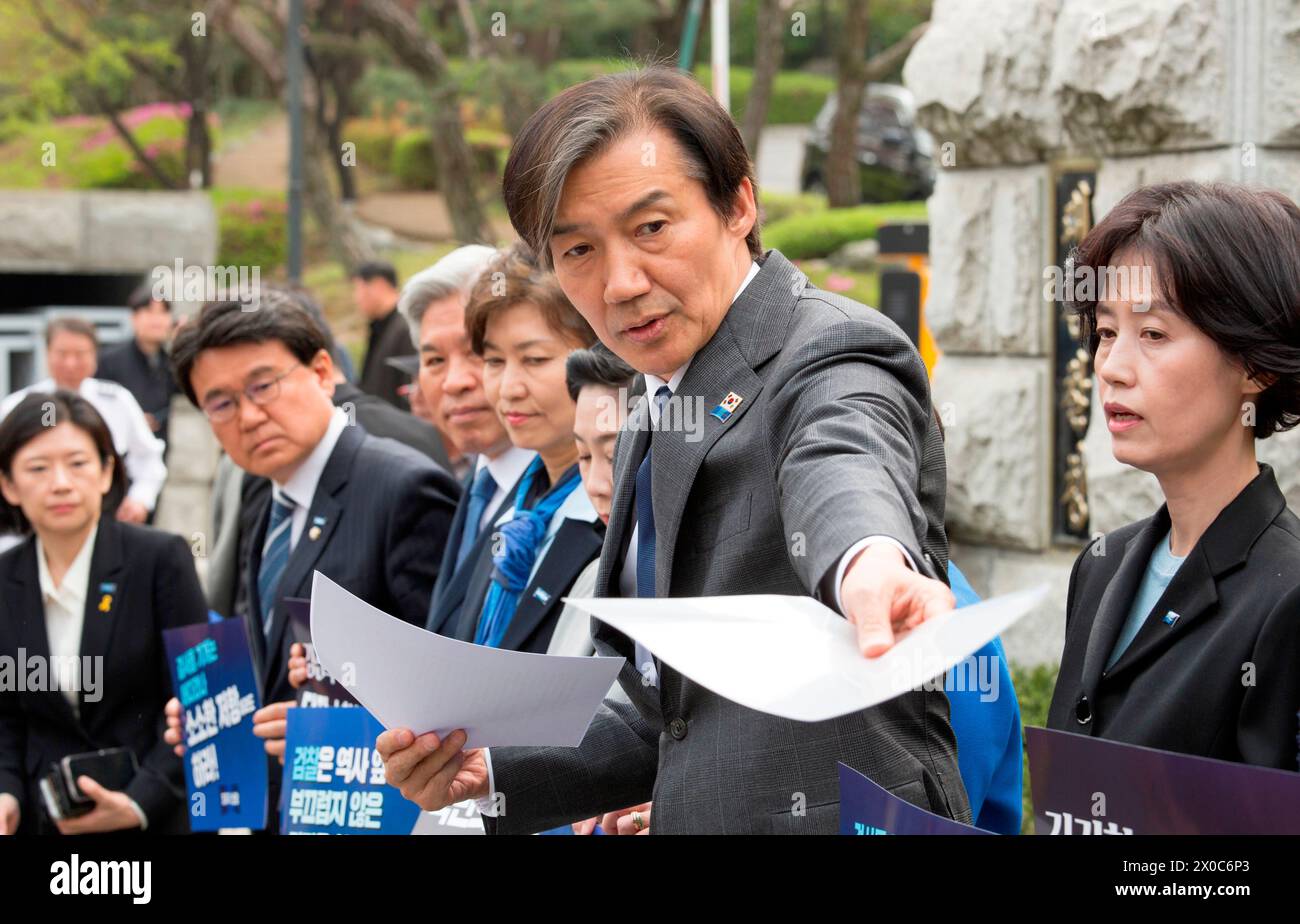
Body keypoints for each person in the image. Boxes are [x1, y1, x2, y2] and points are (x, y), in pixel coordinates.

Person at [379, 66, 969, 834]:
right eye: (579, 250)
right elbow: (663, 703)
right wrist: (484, 768)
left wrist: (866, 560)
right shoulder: (651, 400)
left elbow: (841, 458)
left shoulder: (829, 348)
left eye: (651, 228)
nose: (620, 282)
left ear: (739, 205)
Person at [161, 294, 459, 823]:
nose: (250, 416)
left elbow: (447, 684)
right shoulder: (271, 497)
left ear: (322, 371)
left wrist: (323, 727)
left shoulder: (402, 488)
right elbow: (277, 662)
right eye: (221, 403)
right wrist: (221, 715)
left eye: (263, 386)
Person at [1047, 181, 1300, 771]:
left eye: (1153, 334)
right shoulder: (1102, 565)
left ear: (1255, 365)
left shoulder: (1287, 597)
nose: (1111, 367)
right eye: (1106, 332)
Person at [0, 392, 206, 835]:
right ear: (9, 484)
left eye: (78, 463)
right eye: (38, 468)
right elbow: (6, 715)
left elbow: (197, 698)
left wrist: (138, 801)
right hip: (45, 821)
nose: (60, 483)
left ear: (107, 471)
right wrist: (7, 791)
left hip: (151, 815)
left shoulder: (160, 560)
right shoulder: (4, 579)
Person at [446, 245, 605, 654]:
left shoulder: (623, 513)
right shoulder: (511, 503)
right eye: (494, 361)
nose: (509, 389)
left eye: (534, 359)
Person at [396, 247, 537, 637]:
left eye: (477, 353)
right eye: (434, 361)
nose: (454, 382)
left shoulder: (588, 490)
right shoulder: (474, 480)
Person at [1, 317, 166, 525]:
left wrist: (140, 499)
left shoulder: (116, 400)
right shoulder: (21, 406)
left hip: (106, 517)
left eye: (80, 354)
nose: (71, 363)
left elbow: (148, 457)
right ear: (47, 353)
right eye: (62, 354)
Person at [96, 284, 180, 451]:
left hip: (156, 452)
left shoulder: (171, 362)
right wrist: (132, 421)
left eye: (163, 312)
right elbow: (95, 404)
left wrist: (184, 346)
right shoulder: (109, 360)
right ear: (134, 318)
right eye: (149, 311)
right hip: (117, 451)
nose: (157, 319)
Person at [353, 261, 414, 409]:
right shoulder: (381, 327)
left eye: (358, 289)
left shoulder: (404, 329)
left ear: (379, 286)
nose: (356, 298)